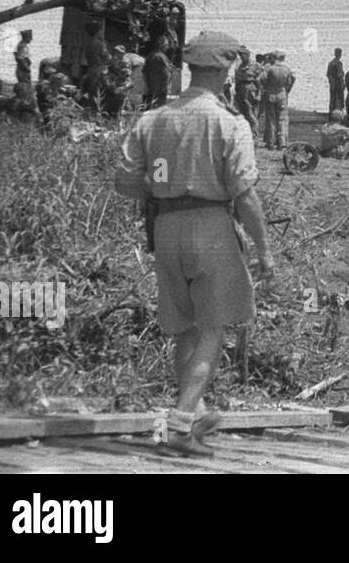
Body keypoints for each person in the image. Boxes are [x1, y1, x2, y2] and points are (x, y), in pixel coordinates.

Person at [113, 30, 273, 458]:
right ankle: (181, 423)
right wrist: (263, 250)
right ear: (225, 71)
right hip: (211, 227)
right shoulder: (229, 122)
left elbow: (126, 182)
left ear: (189, 69)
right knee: (213, 328)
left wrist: (167, 184)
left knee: (183, 324)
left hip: (165, 228)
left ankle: (197, 409)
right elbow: (245, 194)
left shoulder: (154, 119)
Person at [261, 51, 295, 150]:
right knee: (281, 120)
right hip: (282, 93)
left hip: (271, 92)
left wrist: (266, 87)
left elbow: (262, 79)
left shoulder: (269, 68)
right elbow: (289, 81)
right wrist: (286, 91)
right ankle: (281, 143)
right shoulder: (286, 69)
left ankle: (270, 142)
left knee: (270, 119)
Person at [233, 47, 262, 135]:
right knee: (241, 114)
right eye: (240, 56)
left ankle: (255, 136)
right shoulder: (240, 66)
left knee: (252, 115)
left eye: (243, 56)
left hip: (251, 91)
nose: (241, 57)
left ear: (248, 55)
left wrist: (259, 94)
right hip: (240, 91)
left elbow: (259, 80)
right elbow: (237, 79)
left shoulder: (255, 65)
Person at [326, 48, 345, 114]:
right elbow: (339, 75)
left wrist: (331, 82)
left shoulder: (330, 63)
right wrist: (342, 84)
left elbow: (328, 75)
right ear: (340, 54)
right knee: (338, 102)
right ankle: (338, 117)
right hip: (338, 86)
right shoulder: (339, 63)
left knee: (332, 101)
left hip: (332, 85)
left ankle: (331, 115)